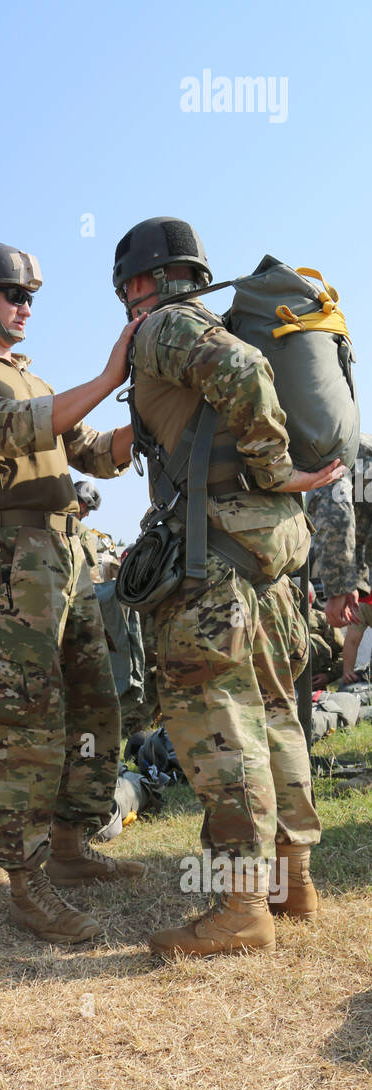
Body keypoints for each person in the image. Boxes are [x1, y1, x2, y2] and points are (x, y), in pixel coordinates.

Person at [112, 216, 342, 953]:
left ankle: (242, 909)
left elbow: (240, 375)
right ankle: (293, 881)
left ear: (139, 283)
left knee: (219, 725)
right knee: (277, 714)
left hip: (212, 571)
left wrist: (275, 468)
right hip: (266, 564)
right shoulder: (221, 324)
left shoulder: (162, 328)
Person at [0, 242, 144, 945]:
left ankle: (74, 845)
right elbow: (9, 431)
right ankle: (26, 883)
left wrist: (159, 409)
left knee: (92, 703)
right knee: (26, 719)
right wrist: (110, 373)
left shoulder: (35, 379)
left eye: (30, 297)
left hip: (68, 551)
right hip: (10, 558)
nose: (25, 307)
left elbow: (97, 454)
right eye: (14, 294)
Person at [307, 432, 372, 683]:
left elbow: (336, 512)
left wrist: (338, 590)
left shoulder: (323, 454)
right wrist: (355, 585)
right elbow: (361, 528)